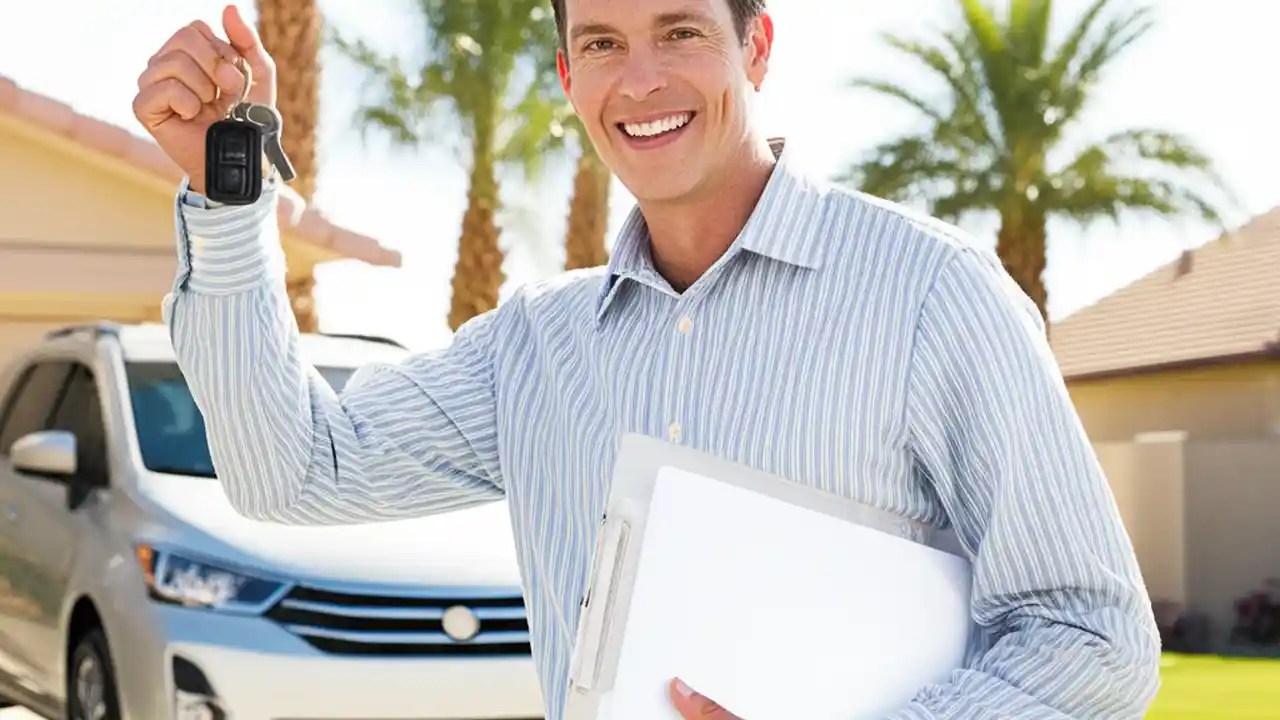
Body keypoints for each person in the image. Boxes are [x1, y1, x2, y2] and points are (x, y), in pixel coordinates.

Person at [131, 1, 1162, 718]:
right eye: (603, 43)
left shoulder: (933, 295)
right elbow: (291, 472)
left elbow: (1089, 639)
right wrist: (230, 191)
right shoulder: (534, 346)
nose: (641, 80)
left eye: (680, 32)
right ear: (567, 77)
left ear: (756, 46)